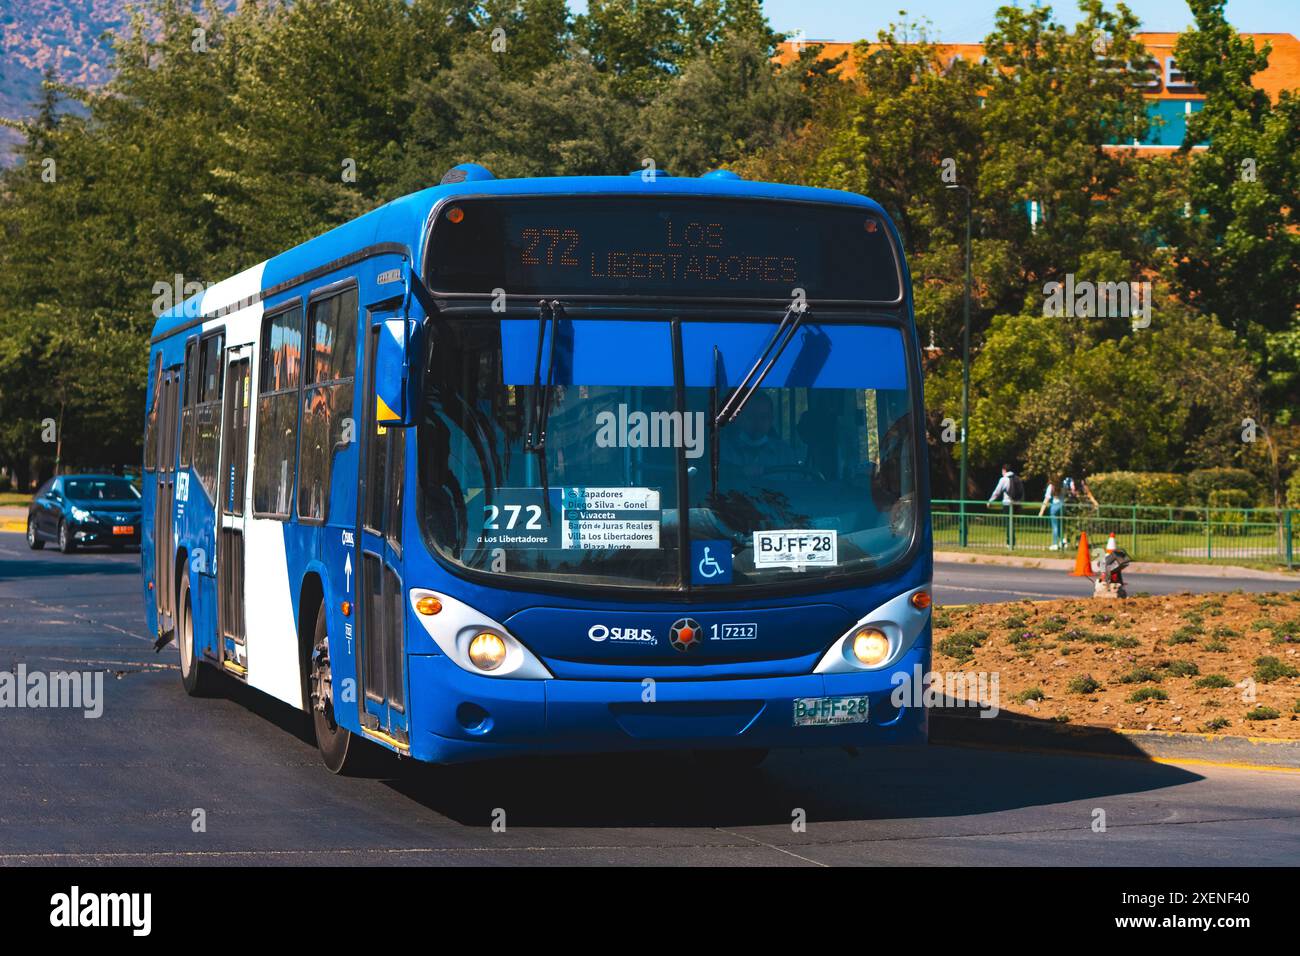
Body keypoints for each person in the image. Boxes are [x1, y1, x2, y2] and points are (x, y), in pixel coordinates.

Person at [721, 392, 798, 479]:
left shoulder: (785, 453)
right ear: (739, 418)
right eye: (750, 416)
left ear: (771, 420)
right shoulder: (723, 451)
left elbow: (797, 488)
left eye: (763, 417)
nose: (757, 422)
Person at [1039, 475, 1065, 549]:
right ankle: (1063, 541)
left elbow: (1046, 499)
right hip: (1062, 506)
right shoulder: (1063, 485)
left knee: (1055, 526)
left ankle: (1055, 544)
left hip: (1055, 506)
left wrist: (1041, 511)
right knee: (1060, 525)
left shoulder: (1051, 487)